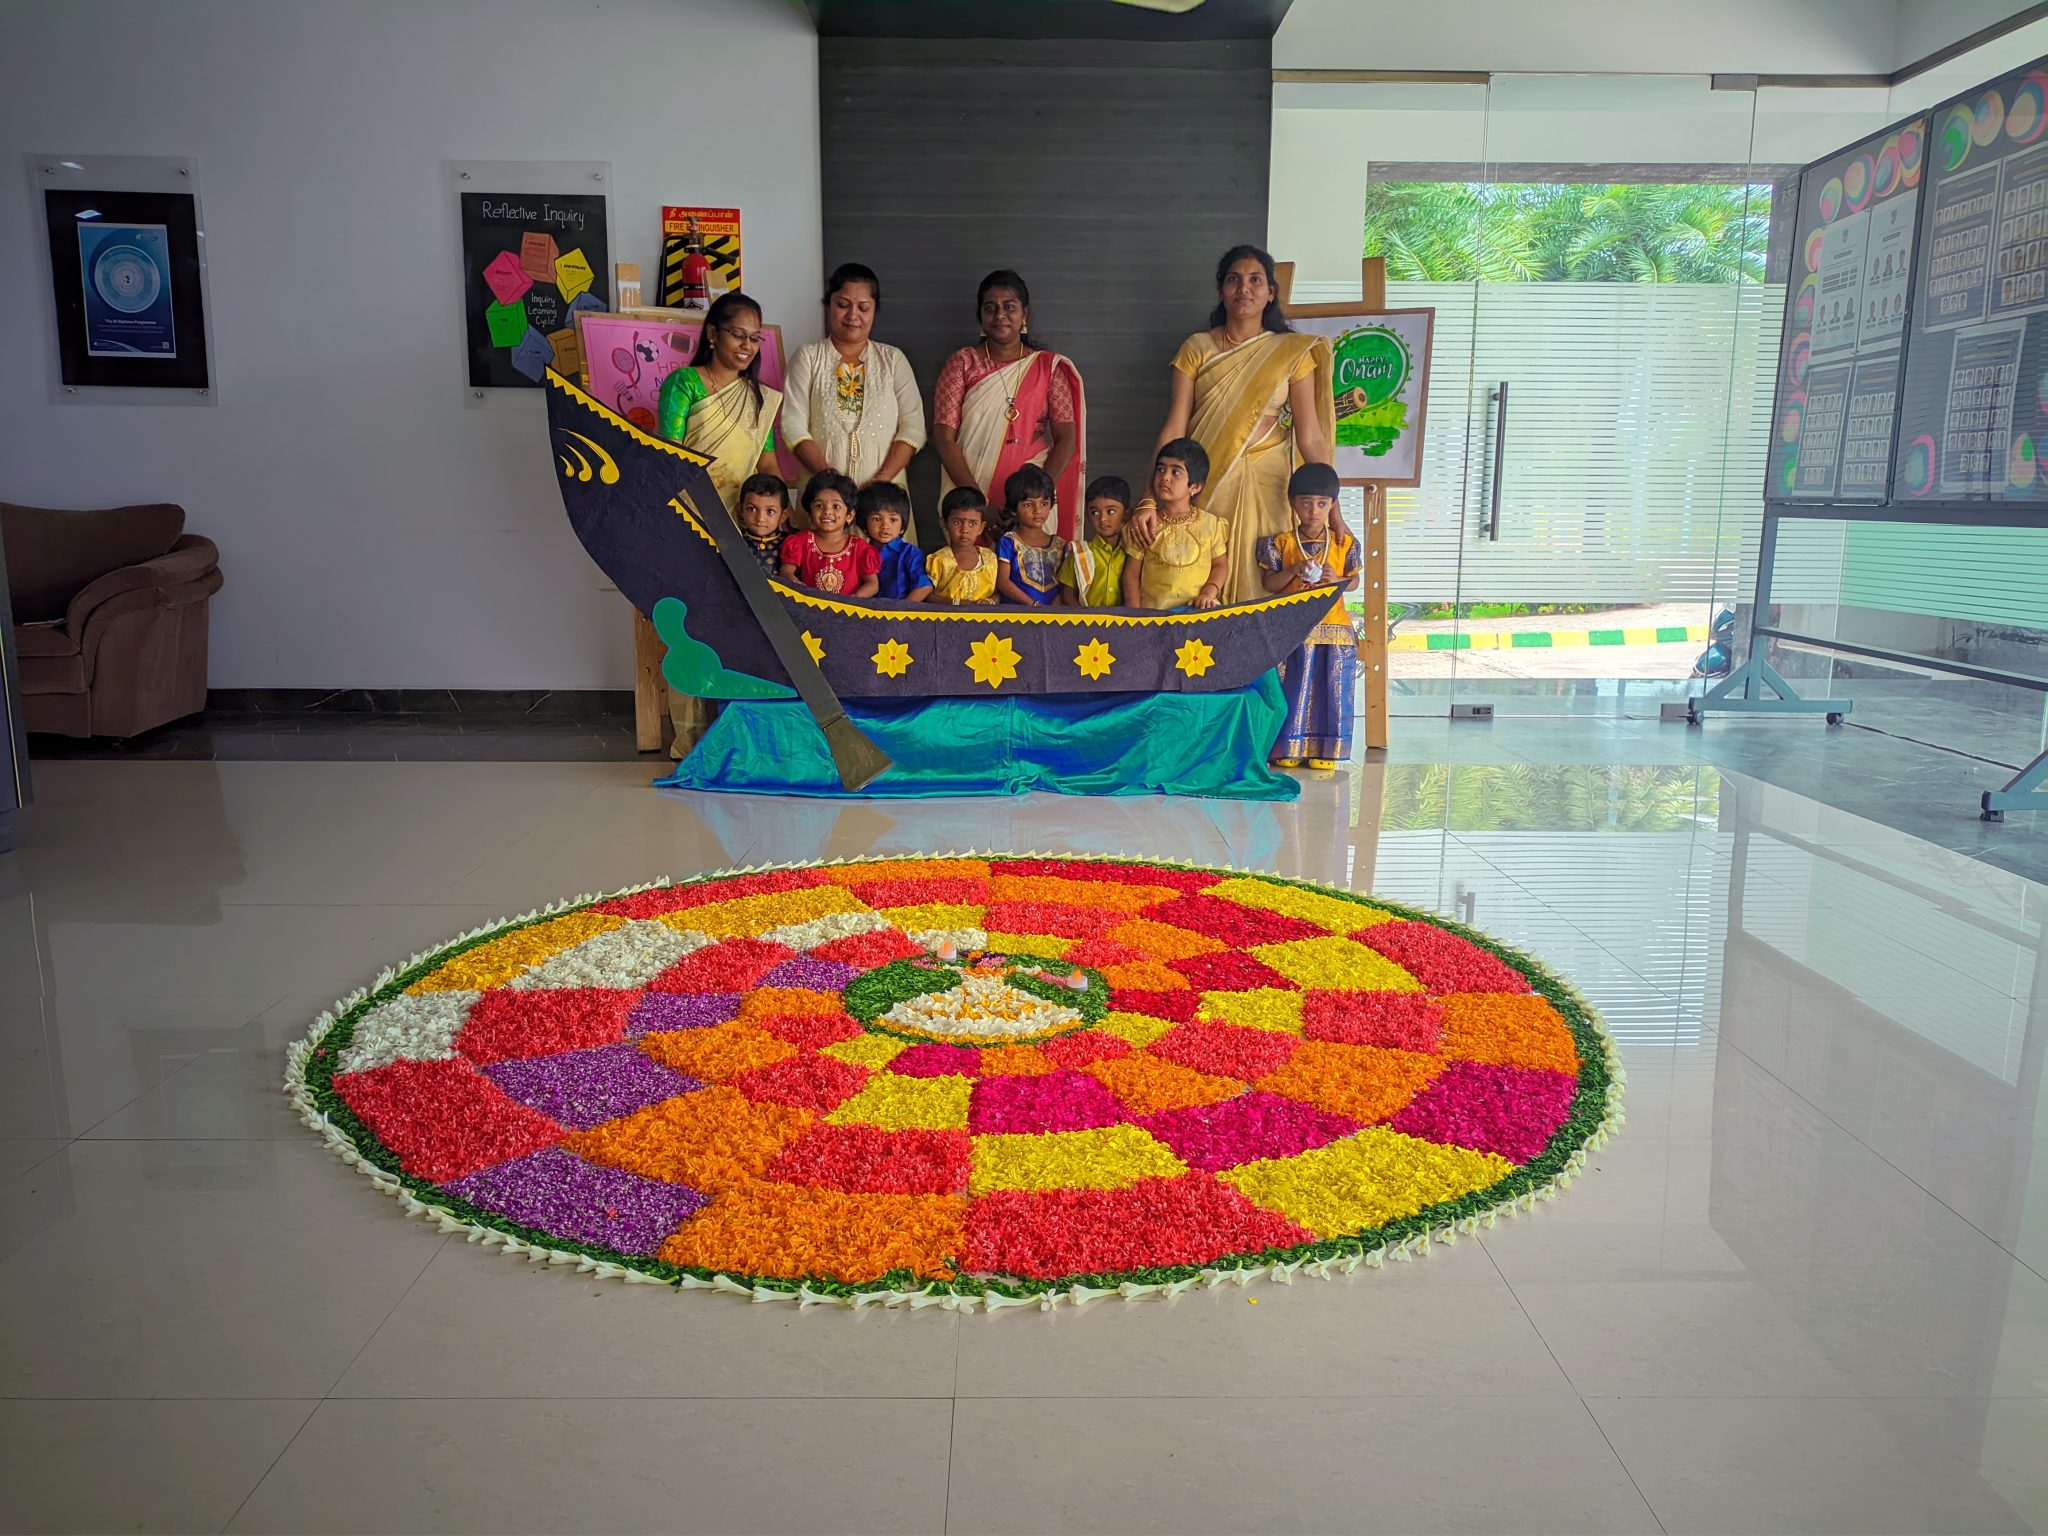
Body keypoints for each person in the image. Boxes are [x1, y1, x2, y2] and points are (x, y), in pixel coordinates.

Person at [1131, 245, 1335, 603]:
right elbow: (1174, 429)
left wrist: (1334, 507)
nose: (1245, 288)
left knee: (1269, 571)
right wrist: (1149, 499)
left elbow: (1311, 438)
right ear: (1221, 290)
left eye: (1256, 280)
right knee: (1204, 573)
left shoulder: (1291, 352)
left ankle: (1267, 660)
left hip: (1271, 482)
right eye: (1234, 280)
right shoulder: (1197, 347)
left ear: (1270, 292)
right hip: (1208, 478)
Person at [930, 270, 1088, 541]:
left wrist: (1035, 499)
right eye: (990, 308)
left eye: (1009, 307)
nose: (999, 315)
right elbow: (944, 439)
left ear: (1024, 315)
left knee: (1029, 577)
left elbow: (1067, 441)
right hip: (969, 495)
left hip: (1031, 499)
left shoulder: (1048, 368)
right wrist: (979, 503)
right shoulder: (962, 363)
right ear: (981, 316)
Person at [781, 264, 928, 516]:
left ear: (874, 310)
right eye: (843, 305)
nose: (852, 315)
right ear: (828, 305)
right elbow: (792, 424)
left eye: (863, 307)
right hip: (822, 506)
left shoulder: (893, 360)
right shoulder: (807, 357)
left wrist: (881, 482)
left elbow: (913, 427)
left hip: (884, 507)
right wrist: (830, 484)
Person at [1259, 462, 1361, 770]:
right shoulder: (1281, 543)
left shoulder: (1344, 543)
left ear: (1332, 505)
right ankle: (1288, 747)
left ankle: (1328, 750)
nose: (1314, 511)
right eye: (1306, 503)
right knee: (1294, 688)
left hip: (1336, 628)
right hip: (1294, 629)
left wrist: (1337, 580)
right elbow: (1269, 584)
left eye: (1321, 504)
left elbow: (1354, 582)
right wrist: (1291, 570)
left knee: (1333, 689)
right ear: (1293, 504)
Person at [656, 291, 782, 511]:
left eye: (754, 338)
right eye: (738, 335)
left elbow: (768, 464)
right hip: (689, 511)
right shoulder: (684, 383)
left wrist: (780, 505)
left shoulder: (760, 397)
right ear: (713, 334)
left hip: (744, 516)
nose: (747, 345)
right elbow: (671, 456)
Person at [1122, 439, 1227, 611]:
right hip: (1154, 618)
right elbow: (1132, 575)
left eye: (1176, 472)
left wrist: (1209, 593)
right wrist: (1137, 616)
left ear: (1195, 486)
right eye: (1161, 469)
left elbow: (1220, 565)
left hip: (1197, 615)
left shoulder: (1211, 524)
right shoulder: (1146, 524)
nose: (1165, 478)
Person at [778, 471, 879, 597]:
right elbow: (786, 572)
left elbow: (873, 584)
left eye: (836, 506)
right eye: (819, 506)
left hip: (848, 611)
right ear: (810, 512)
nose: (827, 511)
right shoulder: (801, 541)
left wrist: (853, 599)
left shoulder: (860, 548)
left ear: (849, 515)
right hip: (809, 608)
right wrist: (799, 589)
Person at [994, 465, 1066, 606]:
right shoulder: (1009, 542)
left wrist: (1053, 610)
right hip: (1016, 616)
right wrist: (1032, 605)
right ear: (1014, 509)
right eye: (1028, 505)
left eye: (1044, 503)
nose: (1038, 510)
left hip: (1053, 617)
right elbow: (1002, 582)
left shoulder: (1061, 545)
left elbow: (1064, 586)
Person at [1057, 475, 1131, 608]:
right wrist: (1085, 618)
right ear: (1087, 516)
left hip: (1124, 625)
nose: (1102, 519)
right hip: (1088, 626)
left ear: (1126, 513)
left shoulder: (1133, 553)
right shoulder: (1079, 553)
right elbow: (1068, 595)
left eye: (1111, 511)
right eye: (1095, 513)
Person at [921, 488, 1000, 604]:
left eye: (972, 523)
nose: (965, 530)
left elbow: (998, 593)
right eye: (957, 522)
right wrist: (956, 603)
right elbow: (928, 596)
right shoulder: (937, 560)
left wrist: (990, 601)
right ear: (944, 524)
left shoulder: (990, 558)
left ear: (981, 528)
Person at [858, 481, 932, 601]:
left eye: (893, 520)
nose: (885, 526)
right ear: (864, 523)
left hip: (900, 614)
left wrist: (900, 612)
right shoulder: (859, 551)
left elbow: (924, 587)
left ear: (903, 525)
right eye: (877, 519)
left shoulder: (910, 552)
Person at [736, 472, 791, 576]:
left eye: (770, 511)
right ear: (741, 510)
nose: (760, 518)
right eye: (752, 509)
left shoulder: (792, 545)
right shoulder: (734, 543)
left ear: (783, 515)